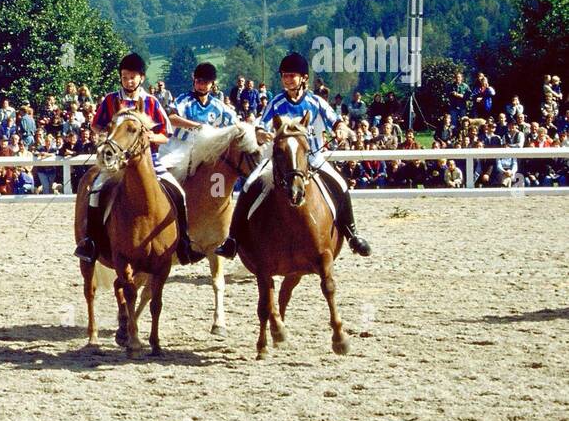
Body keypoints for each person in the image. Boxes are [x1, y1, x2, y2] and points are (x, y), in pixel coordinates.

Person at [216, 52, 372, 260]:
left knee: (341, 185)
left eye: (291, 76)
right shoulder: (276, 102)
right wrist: (262, 134)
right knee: (248, 185)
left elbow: (336, 121)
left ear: (303, 78)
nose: (287, 80)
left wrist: (341, 129)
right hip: (279, 161)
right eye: (284, 76)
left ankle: (352, 233)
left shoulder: (316, 102)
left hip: (312, 158)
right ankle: (232, 240)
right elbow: (260, 127)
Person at [74, 52, 201, 265]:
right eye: (124, 77)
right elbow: (96, 124)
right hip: (117, 162)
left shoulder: (151, 102)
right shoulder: (110, 100)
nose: (128, 81)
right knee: (95, 190)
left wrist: (152, 136)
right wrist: (107, 134)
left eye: (132, 77)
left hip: (148, 161)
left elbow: (166, 133)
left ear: (141, 77)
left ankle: (184, 243)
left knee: (178, 193)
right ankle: (91, 241)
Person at [170, 63, 236, 143]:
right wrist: (199, 126)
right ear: (194, 81)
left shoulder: (218, 106)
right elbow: (171, 118)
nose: (201, 86)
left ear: (212, 84)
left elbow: (234, 123)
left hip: (205, 148)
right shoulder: (184, 100)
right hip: (180, 146)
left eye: (205, 82)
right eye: (198, 81)